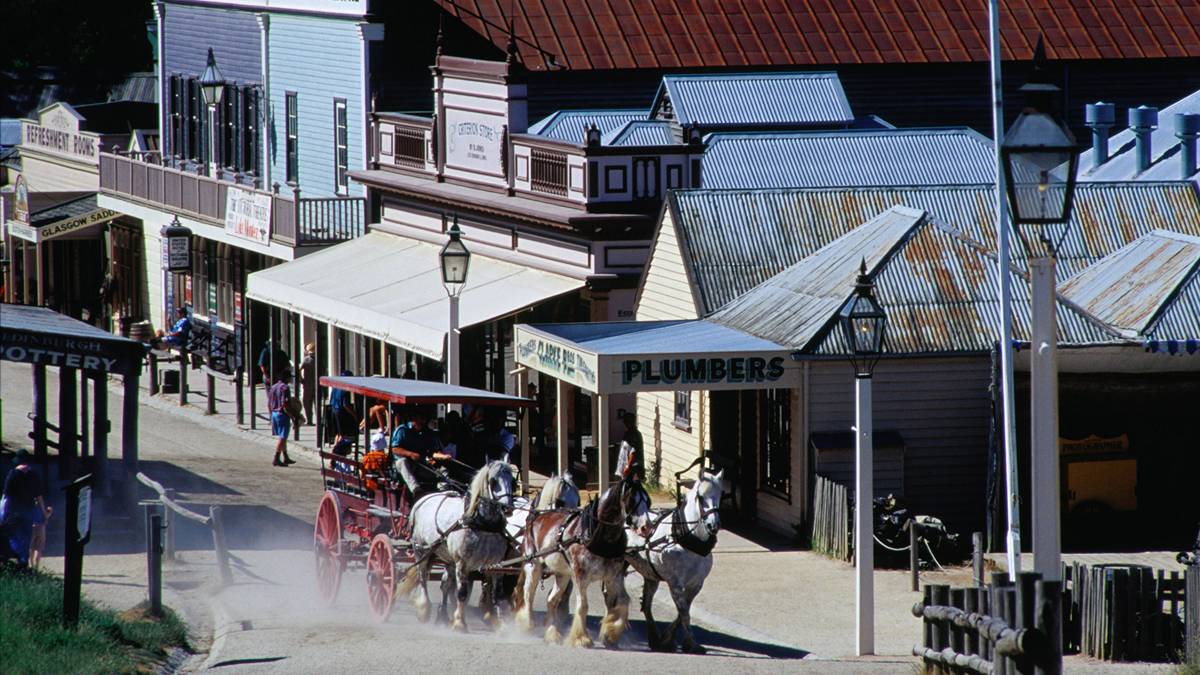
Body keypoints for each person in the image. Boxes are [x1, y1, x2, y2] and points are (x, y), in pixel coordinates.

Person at [1, 450, 49, 567]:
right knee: (26, 538)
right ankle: (24, 562)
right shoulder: (33, 474)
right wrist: (43, 512)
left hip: (13, 511)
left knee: (13, 536)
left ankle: (14, 562)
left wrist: (2, 510)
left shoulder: (13, 473)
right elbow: (39, 496)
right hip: (29, 510)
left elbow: (6, 494)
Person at [388, 408, 447, 498]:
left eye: (424, 420)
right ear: (413, 419)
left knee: (443, 468)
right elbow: (395, 449)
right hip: (402, 464)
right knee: (402, 462)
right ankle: (416, 490)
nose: (422, 422)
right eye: (420, 420)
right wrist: (411, 454)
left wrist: (442, 456)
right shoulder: (402, 430)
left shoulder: (427, 432)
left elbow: (433, 451)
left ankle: (444, 489)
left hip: (421, 463)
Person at [268, 369, 296, 467]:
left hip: (274, 413)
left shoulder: (273, 387)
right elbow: (285, 404)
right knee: (283, 437)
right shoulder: (285, 388)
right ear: (287, 378)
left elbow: (269, 402)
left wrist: (270, 414)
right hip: (282, 414)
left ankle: (286, 456)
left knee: (282, 436)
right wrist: (292, 416)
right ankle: (276, 457)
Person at [329, 370, 358, 445]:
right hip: (340, 412)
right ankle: (338, 450)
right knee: (342, 435)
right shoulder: (345, 389)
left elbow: (331, 399)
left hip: (333, 410)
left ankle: (335, 450)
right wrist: (353, 414)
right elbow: (346, 405)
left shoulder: (335, 387)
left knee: (338, 434)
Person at [619, 411, 645, 481]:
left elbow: (633, 452)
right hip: (627, 468)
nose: (625, 424)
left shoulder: (634, 435)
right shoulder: (627, 434)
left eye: (626, 422)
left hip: (634, 469)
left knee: (633, 489)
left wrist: (628, 467)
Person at [299, 343, 317, 425]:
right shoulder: (318, 360)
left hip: (307, 385)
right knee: (316, 403)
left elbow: (298, 370)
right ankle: (317, 419)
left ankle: (310, 420)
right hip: (316, 385)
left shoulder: (306, 360)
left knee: (307, 403)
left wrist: (301, 380)